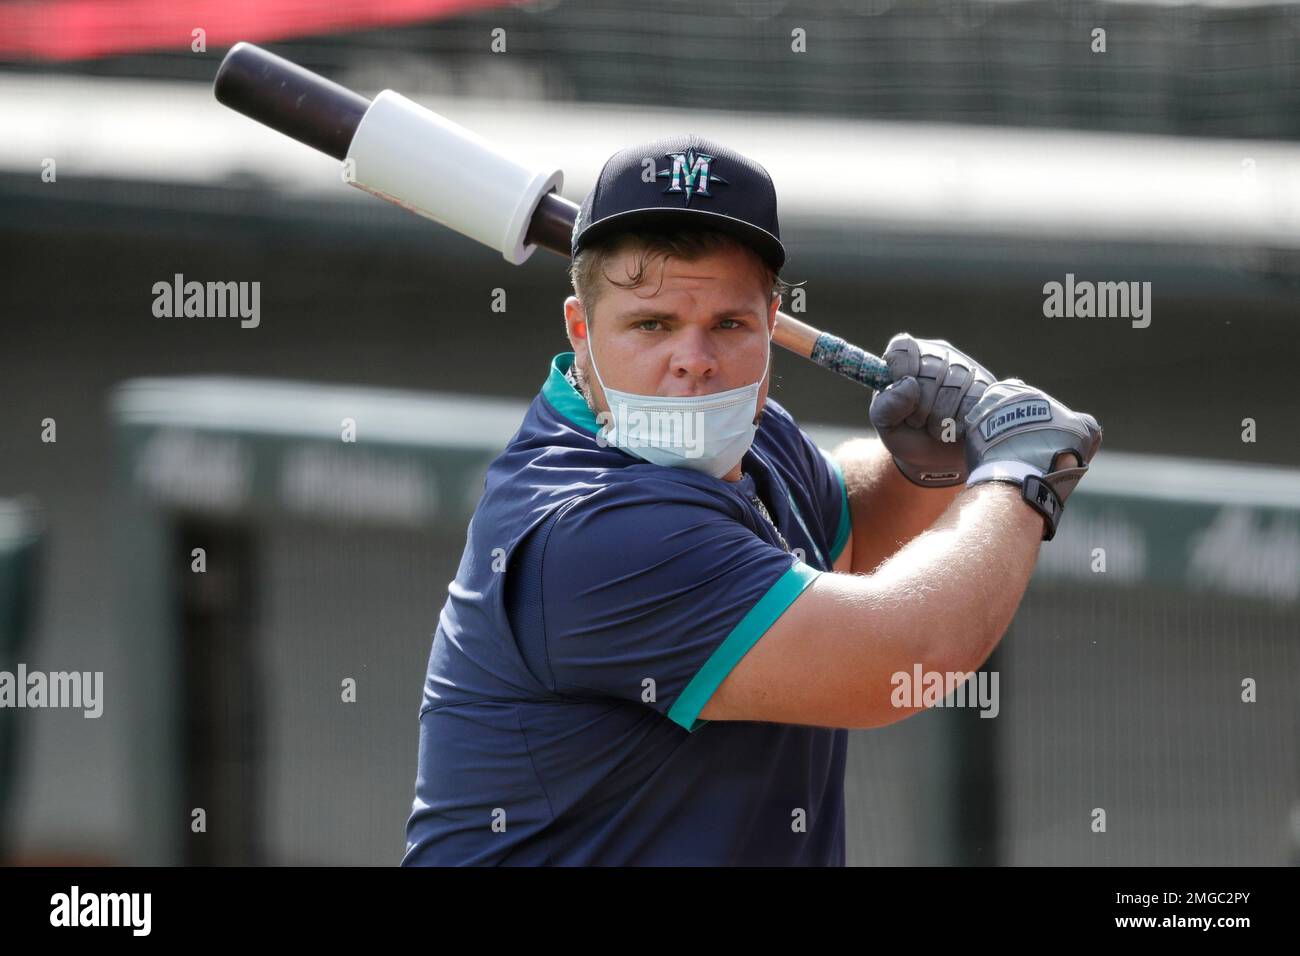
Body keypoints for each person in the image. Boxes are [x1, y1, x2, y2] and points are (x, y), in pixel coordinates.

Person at [402, 134, 1102, 865]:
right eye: (652, 324)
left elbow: (847, 539)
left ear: (771, 323)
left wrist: (926, 465)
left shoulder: (751, 438)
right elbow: (904, 656)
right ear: (582, 330)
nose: (694, 362)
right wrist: (1019, 477)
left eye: (728, 325)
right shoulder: (592, 532)